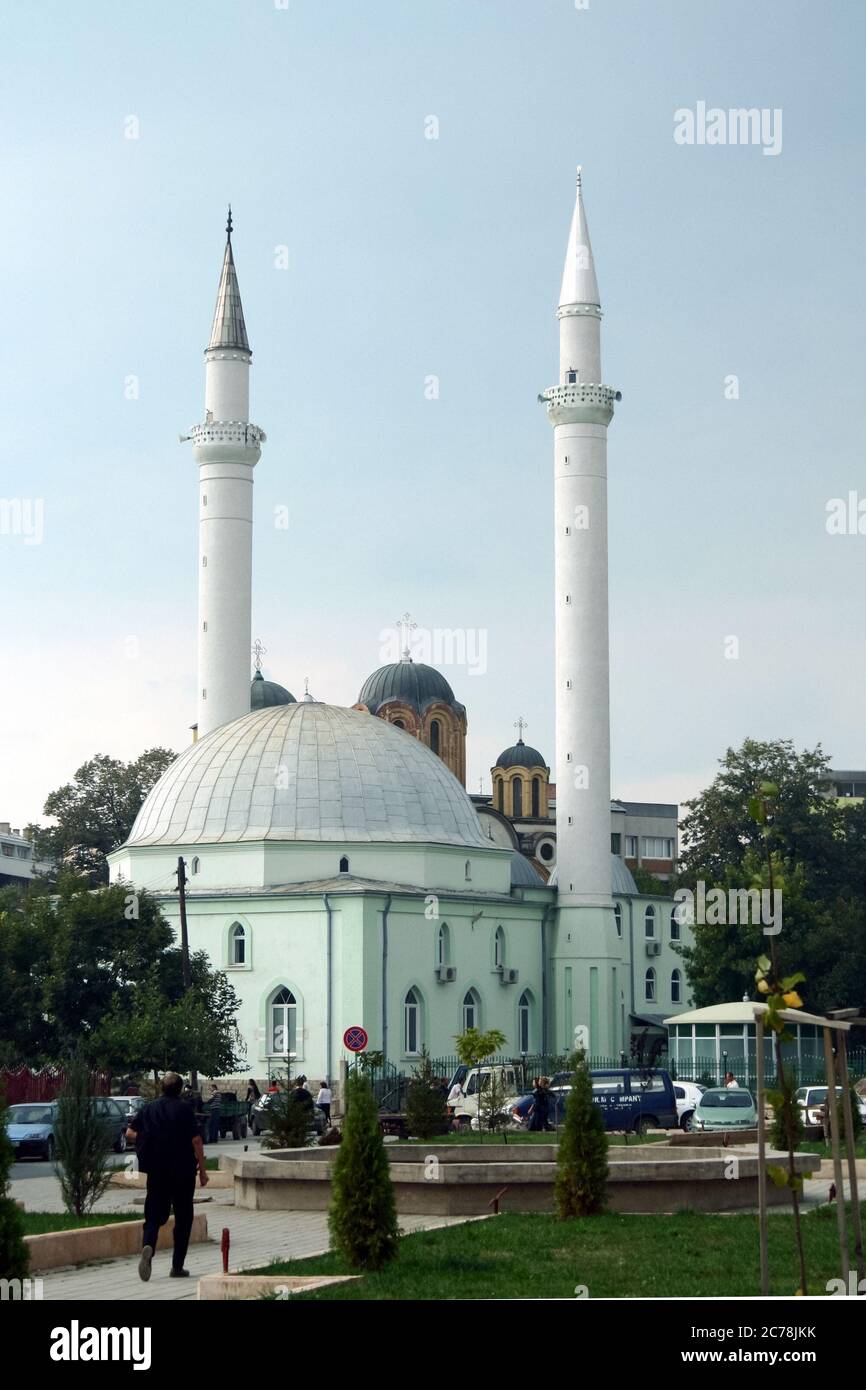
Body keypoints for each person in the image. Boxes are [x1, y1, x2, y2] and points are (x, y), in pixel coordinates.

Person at [128, 1071, 208, 1282]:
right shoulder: (184, 1109)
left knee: (154, 1214)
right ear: (180, 1089)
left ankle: (149, 1246)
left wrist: (150, 1138)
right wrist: (203, 1171)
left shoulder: (149, 1108)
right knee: (183, 1217)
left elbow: (130, 1133)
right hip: (183, 1171)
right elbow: (197, 1141)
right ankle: (177, 1266)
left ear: (161, 1088)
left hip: (157, 1170)